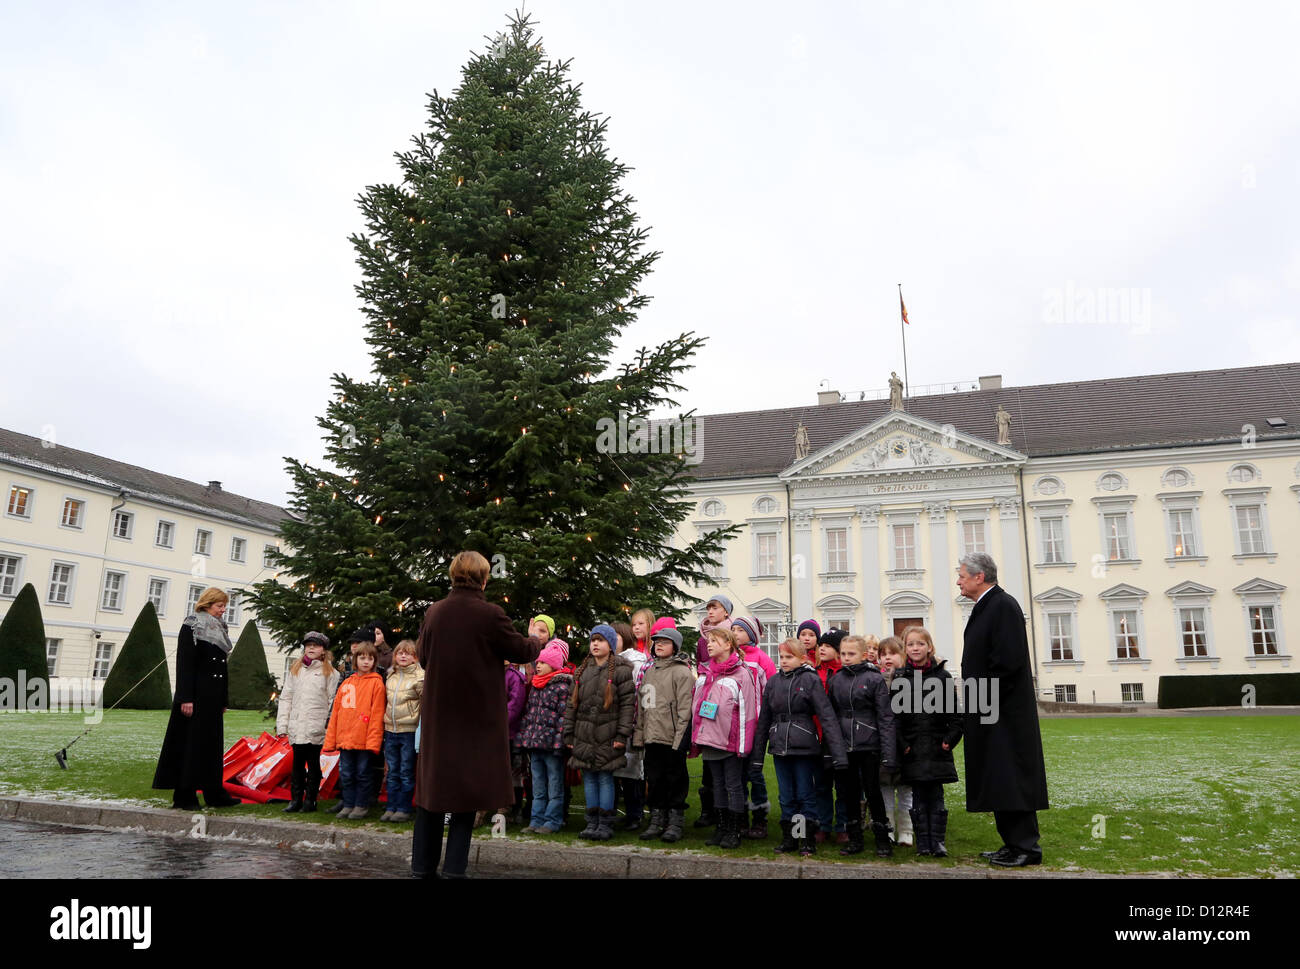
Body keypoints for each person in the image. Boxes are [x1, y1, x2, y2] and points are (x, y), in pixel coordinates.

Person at [412, 550, 542, 878]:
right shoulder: (489, 614)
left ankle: (421, 869)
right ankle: (454, 870)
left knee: (431, 797)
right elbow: (521, 650)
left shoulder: (435, 612)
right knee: (465, 800)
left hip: (439, 718)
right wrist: (535, 639)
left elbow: (423, 656)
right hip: (474, 719)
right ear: (483, 579)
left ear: (454, 575)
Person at [957, 552, 1049, 867]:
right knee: (999, 778)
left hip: (1004, 714)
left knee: (1011, 778)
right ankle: (1011, 844)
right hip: (991, 711)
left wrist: (983, 699)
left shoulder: (1003, 606)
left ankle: (1026, 847)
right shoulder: (988, 607)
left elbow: (1007, 664)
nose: (958, 581)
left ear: (979, 577)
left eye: (961, 575)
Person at [750, 638, 847, 856]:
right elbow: (764, 719)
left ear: (802, 658)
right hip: (779, 746)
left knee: (805, 793)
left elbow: (827, 716)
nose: (783, 661)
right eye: (782, 657)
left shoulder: (810, 680)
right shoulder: (773, 682)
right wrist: (757, 756)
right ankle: (791, 838)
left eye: (789, 657)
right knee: (786, 796)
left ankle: (807, 839)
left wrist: (838, 753)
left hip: (804, 746)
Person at [153, 587, 242, 809]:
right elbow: (185, 664)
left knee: (211, 747)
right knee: (191, 746)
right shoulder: (192, 625)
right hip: (195, 696)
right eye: (220, 606)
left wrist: (223, 700)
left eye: (224, 606)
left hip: (212, 697)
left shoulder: (220, 629)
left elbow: (222, 668)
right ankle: (185, 794)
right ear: (207, 604)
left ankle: (214, 792)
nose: (224, 610)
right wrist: (185, 698)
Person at [564, 624, 635, 841]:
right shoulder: (582, 671)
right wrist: (569, 733)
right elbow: (571, 705)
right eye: (592, 640)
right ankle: (591, 821)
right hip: (584, 734)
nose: (595, 643)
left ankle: (605, 823)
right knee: (589, 778)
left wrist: (622, 735)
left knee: (604, 778)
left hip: (608, 734)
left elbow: (627, 706)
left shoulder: (622, 671)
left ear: (611, 645)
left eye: (600, 640)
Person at [690, 626, 759, 849]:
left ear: (729, 644)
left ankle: (735, 829)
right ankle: (721, 827)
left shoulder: (742, 674)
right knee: (717, 785)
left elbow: (749, 712)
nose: (709, 644)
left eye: (714, 641)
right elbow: (696, 708)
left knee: (733, 785)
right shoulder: (705, 673)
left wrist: (743, 745)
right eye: (708, 640)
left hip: (730, 742)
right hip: (709, 739)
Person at [827, 635, 896, 856]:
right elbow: (832, 716)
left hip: (869, 744)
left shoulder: (874, 679)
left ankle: (882, 838)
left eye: (851, 654)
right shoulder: (836, 680)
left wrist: (888, 752)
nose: (846, 658)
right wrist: (833, 748)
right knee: (848, 793)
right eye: (843, 654)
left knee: (873, 792)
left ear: (863, 655)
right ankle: (854, 838)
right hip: (845, 745)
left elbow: (885, 717)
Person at [897, 626, 962, 857]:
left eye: (920, 644)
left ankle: (938, 842)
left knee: (936, 794)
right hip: (912, 747)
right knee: (917, 796)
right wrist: (902, 743)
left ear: (929, 647)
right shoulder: (901, 677)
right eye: (911, 644)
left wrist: (950, 739)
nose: (916, 648)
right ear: (905, 648)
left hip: (936, 745)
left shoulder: (942, 677)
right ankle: (923, 843)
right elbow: (895, 717)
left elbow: (955, 713)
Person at [632, 626, 695, 842]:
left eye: (665, 642)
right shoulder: (650, 671)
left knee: (675, 779)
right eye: (657, 641)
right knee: (655, 779)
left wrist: (680, 740)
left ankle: (675, 821)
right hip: (652, 736)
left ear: (675, 647)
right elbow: (643, 707)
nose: (659, 644)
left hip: (672, 738)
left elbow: (685, 709)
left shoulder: (682, 672)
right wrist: (640, 735)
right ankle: (657, 819)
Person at [276, 630, 340, 814]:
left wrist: (327, 727)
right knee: (296, 765)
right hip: (297, 725)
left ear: (323, 650)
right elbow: (286, 698)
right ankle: (295, 799)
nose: (311, 648)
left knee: (313, 765)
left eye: (316, 645)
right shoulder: (296, 670)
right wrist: (283, 724)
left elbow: (331, 702)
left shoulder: (330, 673)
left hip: (316, 726)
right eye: (308, 645)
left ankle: (310, 800)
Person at [323, 642, 386, 820]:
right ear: (355, 660)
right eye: (362, 657)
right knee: (346, 774)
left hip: (364, 740)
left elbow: (377, 716)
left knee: (363, 774)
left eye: (370, 658)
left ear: (374, 662)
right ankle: (348, 803)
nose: (366, 661)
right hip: (345, 739)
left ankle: (361, 805)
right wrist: (332, 738)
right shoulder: (347, 683)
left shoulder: (376, 684)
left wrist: (373, 742)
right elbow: (336, 713)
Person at [518, 639, 574, 834]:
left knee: (554, 785)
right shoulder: (535, 686)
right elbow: (528, 715)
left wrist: (560, 743)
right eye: (537, 662)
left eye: (542, 662)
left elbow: (563, 717)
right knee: (538, 786)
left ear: (554, 665)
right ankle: (536, 820)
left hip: (551, 747)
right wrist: (524, 739)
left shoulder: (562, 687)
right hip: (535, 745)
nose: (538, 665)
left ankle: (553, 820)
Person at [692, 593, 733, 829]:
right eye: (708, 608)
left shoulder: (733, 633)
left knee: (728, 770)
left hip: (725, 702)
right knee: (709, 766)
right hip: (707, 696)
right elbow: (701, 667)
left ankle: (731, 817)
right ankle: (710, 812)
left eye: (715, 607)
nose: (710, 612)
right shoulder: (701, 640)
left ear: (726, 612)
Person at [730, 616, 773, 839]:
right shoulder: (730, 658)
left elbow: (771, 693)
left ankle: (760, 818)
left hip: (755, 727)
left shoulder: (761, 659)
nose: (735, 633)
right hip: (733, 728)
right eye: (733, 629)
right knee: (736, 776)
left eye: (740, 629)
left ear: (752, 634)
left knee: (754, 773)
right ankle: (740, 817)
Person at [381, 639, 424, 822]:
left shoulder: (420, 677)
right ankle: (391, 806)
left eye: (407, 653)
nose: (403, 656)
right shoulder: (391, 676)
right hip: (391, 728)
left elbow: (424, 703)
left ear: (415, 657)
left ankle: (404, 807)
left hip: (408, 729)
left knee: (406, 770)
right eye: (400, 653)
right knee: (392, 771)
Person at [876, 637, 913, 846]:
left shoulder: (909, 680)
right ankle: (888, 827)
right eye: (883, 654)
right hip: (882, 742)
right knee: (885, 788)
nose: (887, 657)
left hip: (904, 740)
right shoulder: (876, 680)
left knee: (906, 787)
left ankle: (907, 829)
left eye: (892, 653)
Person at [610, 620, 646, 830]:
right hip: (610, 725)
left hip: (630, 723)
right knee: (612, 770)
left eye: (615, 637)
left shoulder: (636, 662)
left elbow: (639, 694)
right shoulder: (607, 661)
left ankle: (635, 814)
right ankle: (611, 812)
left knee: (632, 770)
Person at [813, 628, 845, 843]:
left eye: (828, 646)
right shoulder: (814, 672)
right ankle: (823, 824)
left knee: (843, 785)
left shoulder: (845, 673)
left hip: (841, 737)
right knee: (821, 785)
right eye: (821, 645)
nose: (822, 648)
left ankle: (842, 825)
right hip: (817, 736)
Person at [504, 656, 530, 825]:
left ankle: (516, 808)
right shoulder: (489, 674)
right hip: (492, 733)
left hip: (511, 733)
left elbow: (515, 704)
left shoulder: (514, 677)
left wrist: (499, 721)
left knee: (515, 773)